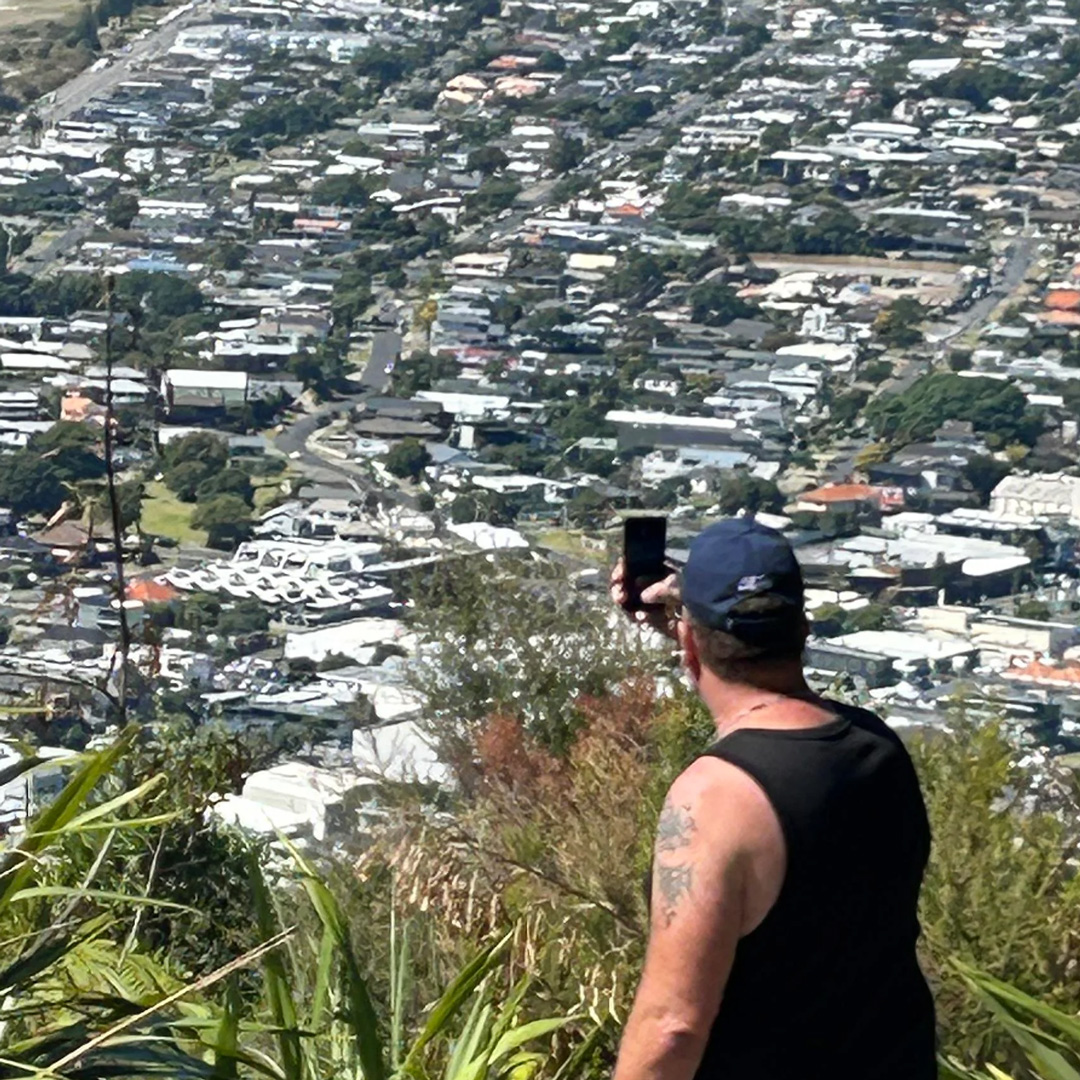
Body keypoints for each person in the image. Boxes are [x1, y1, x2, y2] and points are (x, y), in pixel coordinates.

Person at [609, 517, 935, 1080]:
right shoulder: (877, 749)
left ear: (690, 642)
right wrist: (696, 624)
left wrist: (696, 628)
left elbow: (672, 1027)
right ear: (803, 628)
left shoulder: (715, 797)